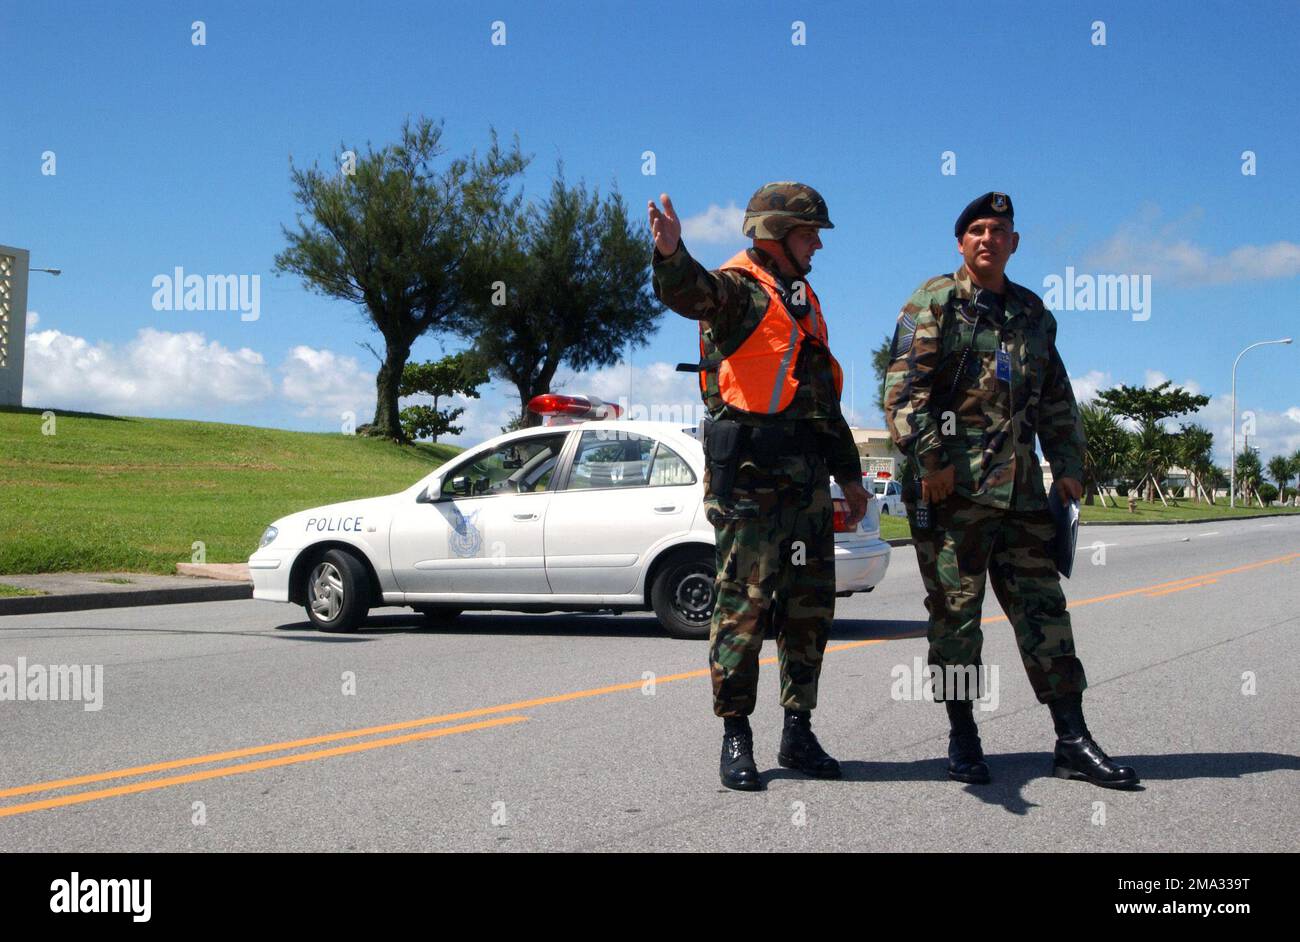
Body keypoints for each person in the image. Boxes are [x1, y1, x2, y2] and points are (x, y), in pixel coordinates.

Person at [883, 191, 1139, 789]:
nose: (987, 239)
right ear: (960, 242)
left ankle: (1072, 738)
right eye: (976, 229)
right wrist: (932, 459)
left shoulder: (1032, 314)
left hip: (1022, 496)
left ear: (1014, 243)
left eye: (998, 230)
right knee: (956, 623)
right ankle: (963, 735)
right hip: (954, 496)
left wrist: (1069, 465)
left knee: (1045, 615)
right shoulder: (933, 304)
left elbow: (1057, 398)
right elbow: (902, 394)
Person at [647, 182, 870, 791]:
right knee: (743, 612)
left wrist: (850, 479)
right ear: (774, 234)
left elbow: (823, 400)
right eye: (808, 234)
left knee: (807, 612)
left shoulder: (799, 297)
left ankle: (798, 732)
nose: (818, 244)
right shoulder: (741, 289)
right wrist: (671, 257)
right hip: (749, 487)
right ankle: (736, 735)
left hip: (807, 489)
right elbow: (697, 294)